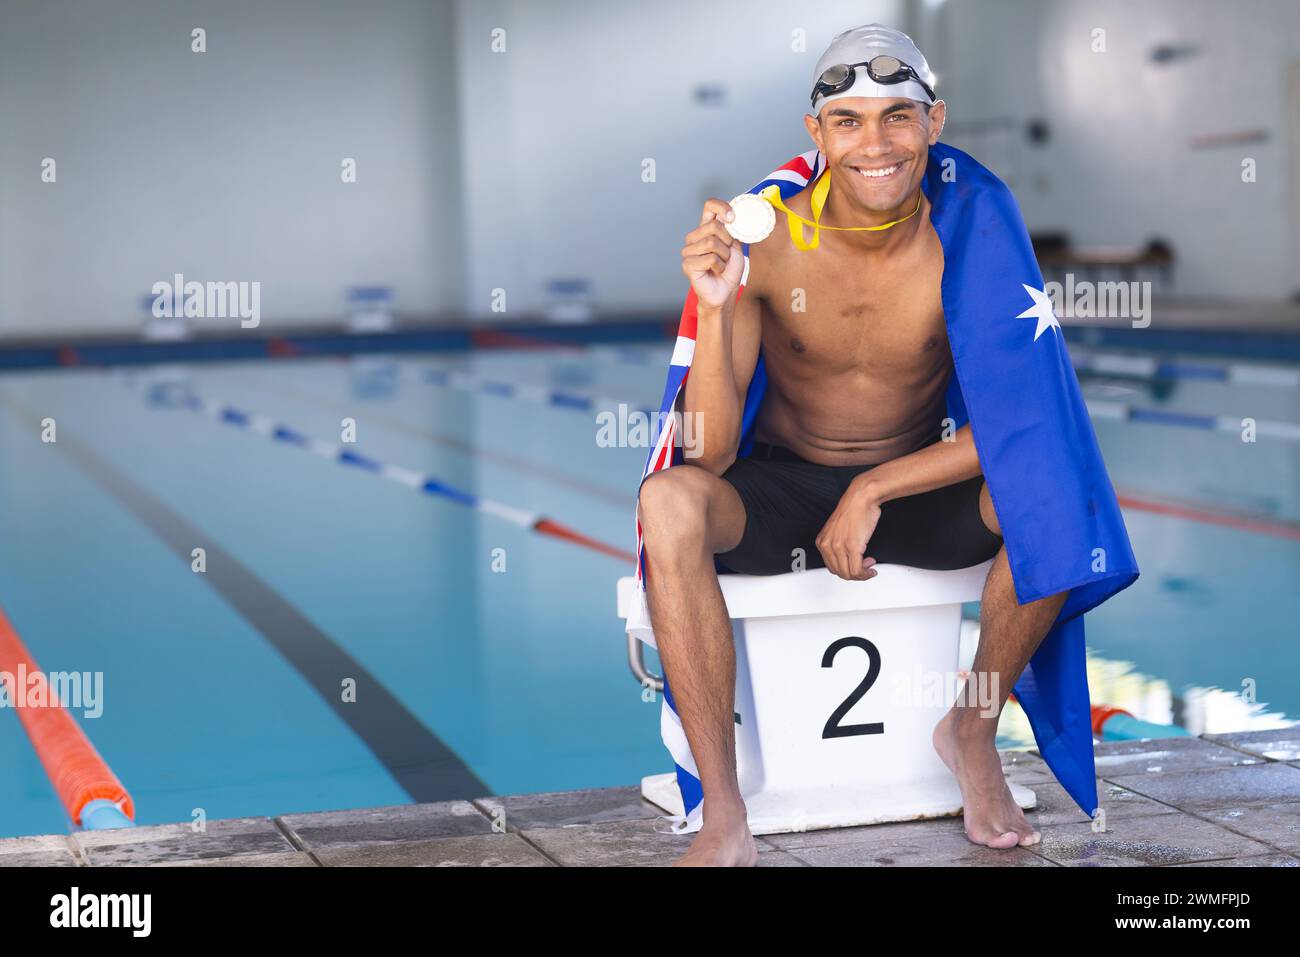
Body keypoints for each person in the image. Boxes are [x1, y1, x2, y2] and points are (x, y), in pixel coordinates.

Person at [636, 24, 1125, 866]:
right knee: (667, 501)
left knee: (1058, 488)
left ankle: (971, 729)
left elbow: (1025, 423)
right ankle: (725, 812)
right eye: (851, 121)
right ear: (815, 134)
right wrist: (715, 306)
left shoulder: (971, 230)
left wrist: (874, 489)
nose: (876, 143)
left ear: (935, 124)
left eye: (899, 117)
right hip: (780, 491)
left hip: (909, 488)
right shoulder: (770, 236)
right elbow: (708, 454)